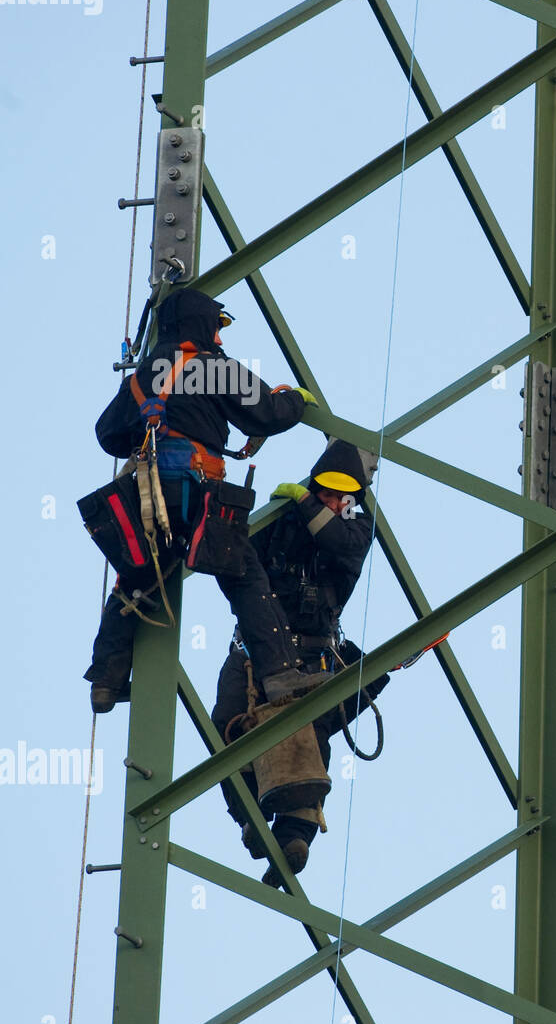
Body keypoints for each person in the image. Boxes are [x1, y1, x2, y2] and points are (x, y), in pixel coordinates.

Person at [85, 288, 327, 712]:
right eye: (217, 327)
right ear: (201, 325)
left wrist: (158, 423)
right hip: (198, 490)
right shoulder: (213, 367)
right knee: (244, 574)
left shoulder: (143, 376)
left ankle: (106, 679)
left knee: (138, 575)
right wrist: (294, 400)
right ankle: (280, 674)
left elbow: (108, 435)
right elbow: (267, 412)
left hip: (148, 497)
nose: (219, 338)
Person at [210, 440, 389, 883]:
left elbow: (337, 540)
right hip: (254, 649)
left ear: (353, 500)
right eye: (323, 491)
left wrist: (305, 501)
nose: (330, 500)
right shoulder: (282, 521)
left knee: (308, 736)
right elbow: (236, 564)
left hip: (313, 651)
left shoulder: (355, 530)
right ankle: (251, 815)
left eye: (339, 496)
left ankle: (296, 835)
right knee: (227, 724)